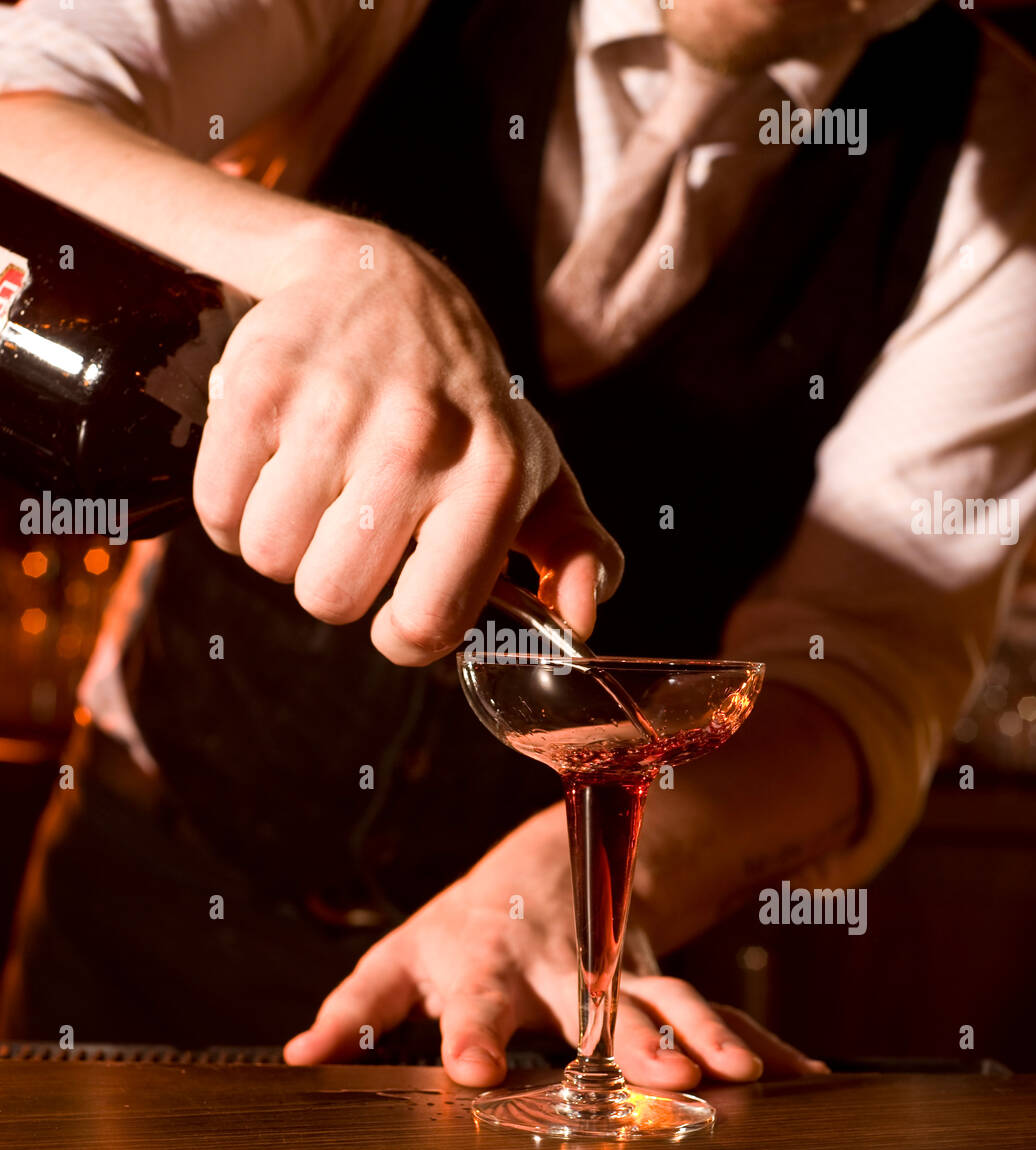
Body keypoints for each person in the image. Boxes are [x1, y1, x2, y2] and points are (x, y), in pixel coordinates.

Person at [0, 0, 1033, 1090]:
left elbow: (860, 677)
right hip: (145, 887)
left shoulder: (1002, 160)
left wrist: (553, 887)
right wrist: (336, 265)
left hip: (553, 992)